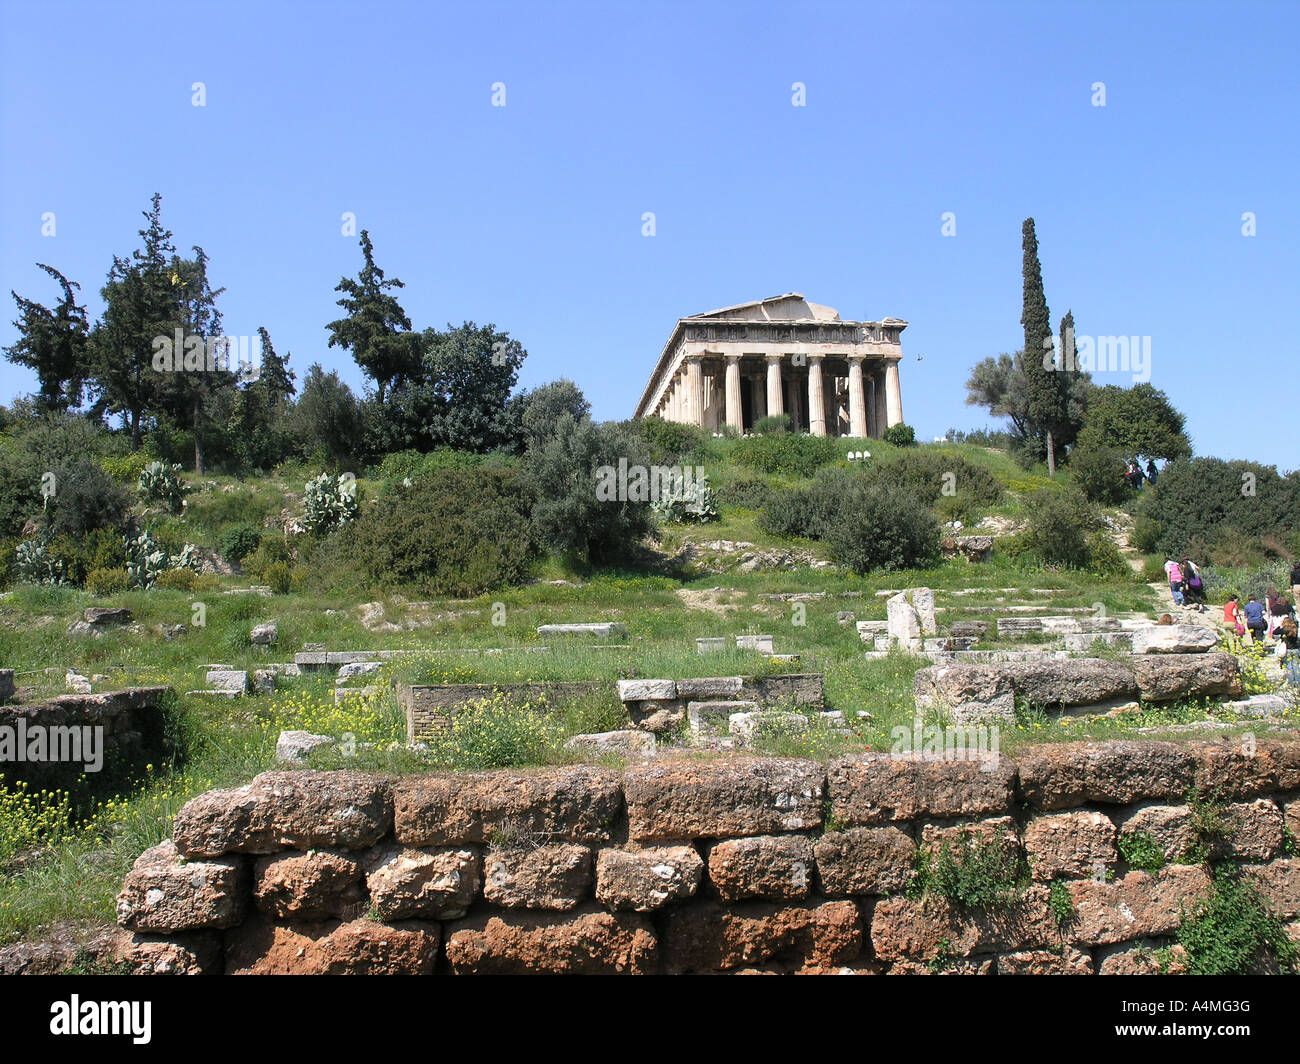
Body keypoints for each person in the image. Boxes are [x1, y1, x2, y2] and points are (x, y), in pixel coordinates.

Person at [1279, 617, 1300, 688]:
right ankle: (1298, 683)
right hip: (1296, 649)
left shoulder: (1284, 631)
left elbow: (1274, 632)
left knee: (1289, 667)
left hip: (1287, 649)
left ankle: (1292, 684)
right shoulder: (1295, 629)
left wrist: (1280, 626)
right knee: (1296, 667)